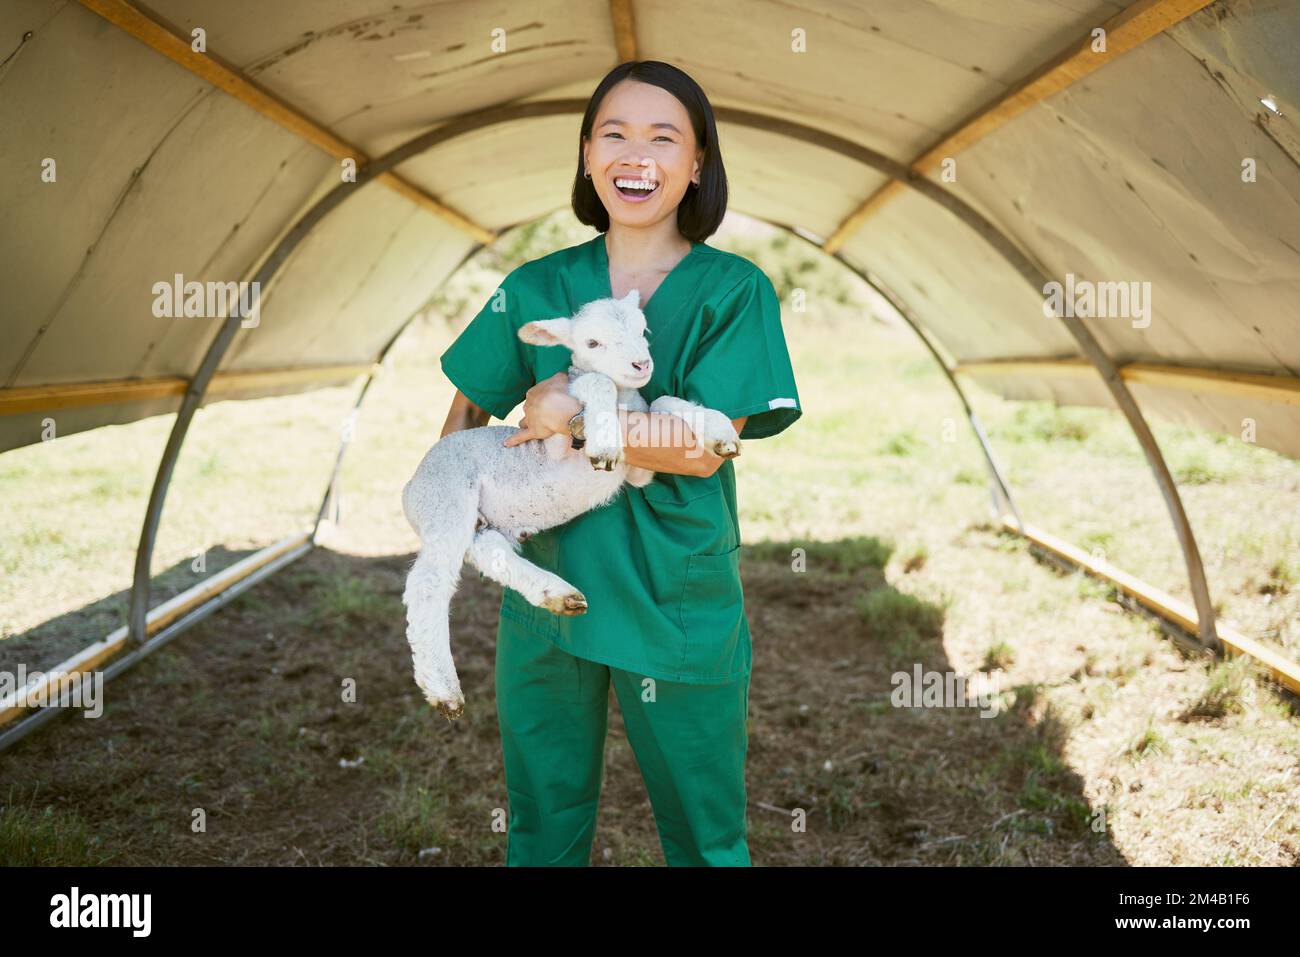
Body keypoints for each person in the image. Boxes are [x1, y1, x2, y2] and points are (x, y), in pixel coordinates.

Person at [437, 60, 801, 866]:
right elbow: (466, 414)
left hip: (675, 596)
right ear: (586, 151)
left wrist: (567, 417)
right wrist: (455, 508)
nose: (637, 154)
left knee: (707, 837)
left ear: (698, 162)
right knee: (540, 827)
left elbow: (707, 451)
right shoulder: (536, 285)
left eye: (664, 137)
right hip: (549, 595)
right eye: (615, 133)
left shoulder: (734, 291)